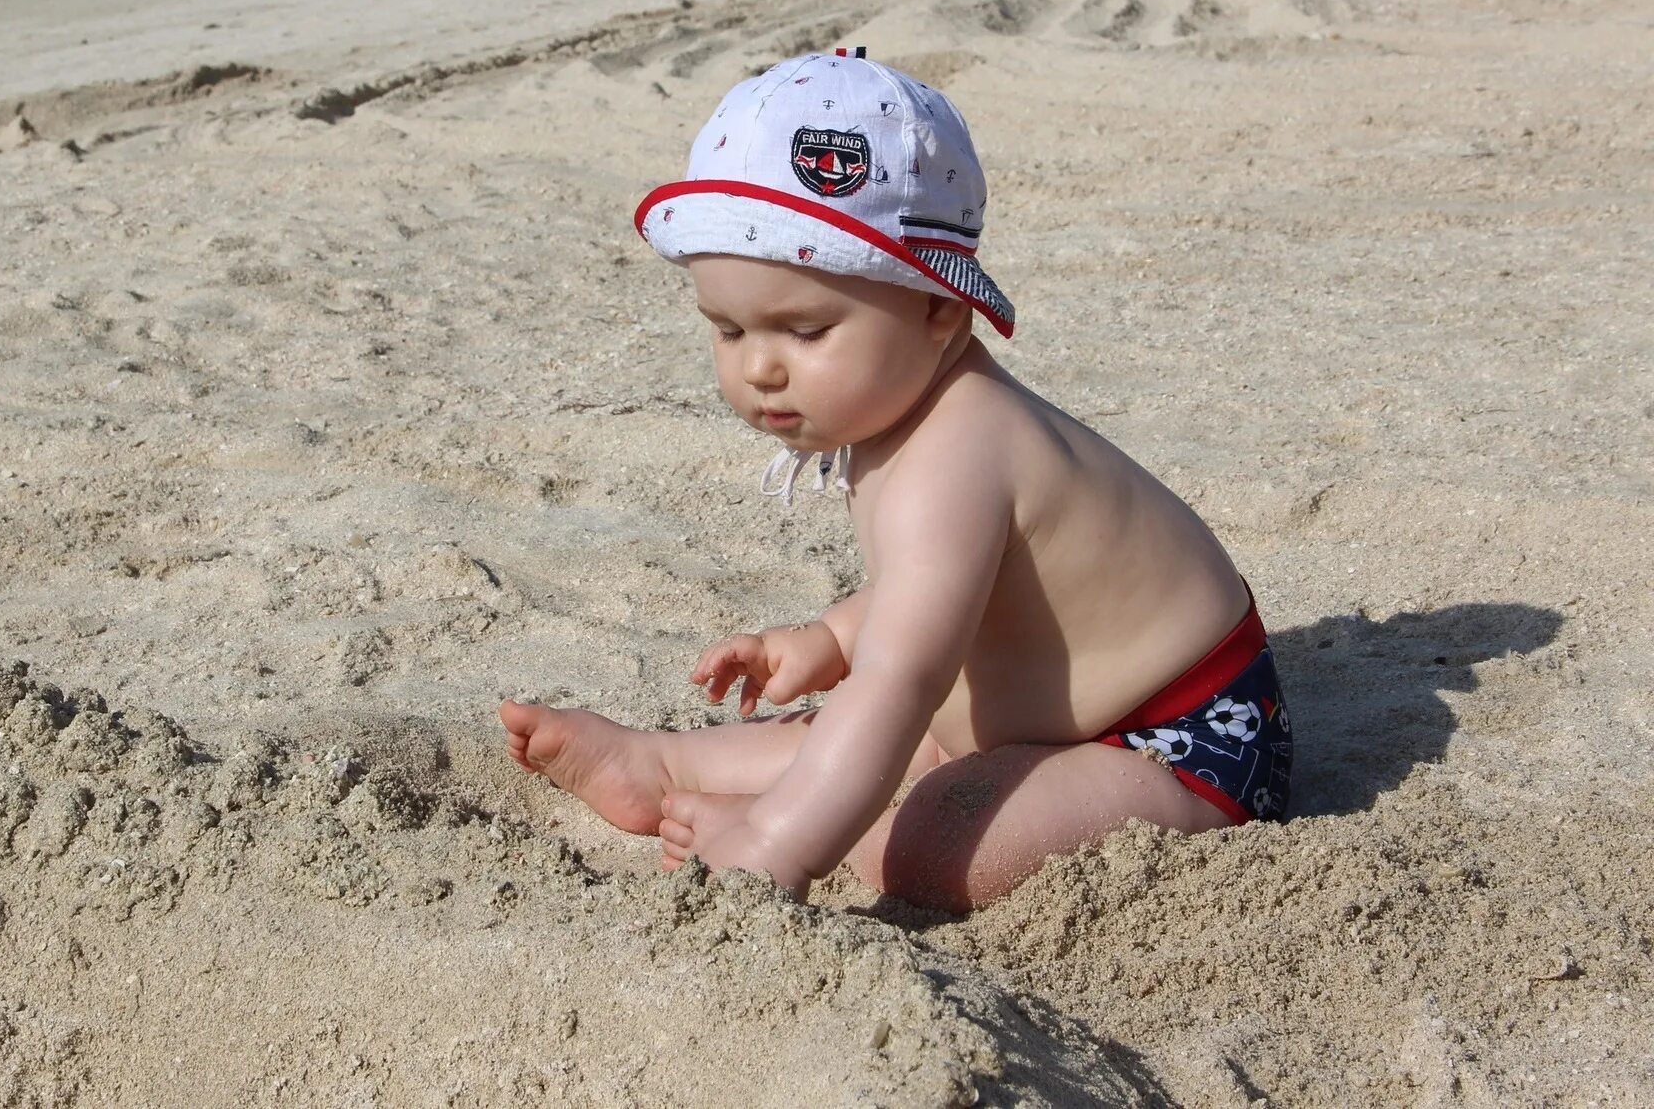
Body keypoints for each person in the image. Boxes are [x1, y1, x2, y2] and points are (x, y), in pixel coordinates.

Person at [498, 50, 1291, 911]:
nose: (760, 367)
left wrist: (771, 849)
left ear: (938, 307)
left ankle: (772, 817)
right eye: (727, 330)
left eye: (804, 331)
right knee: (868, 738)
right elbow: (947, 586)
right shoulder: (903, 411)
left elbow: (899, 682)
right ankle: (664, 763)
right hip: (1036, 723)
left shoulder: (960, 448)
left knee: (928, 836)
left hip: (1176, 742)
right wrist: (833, 637)